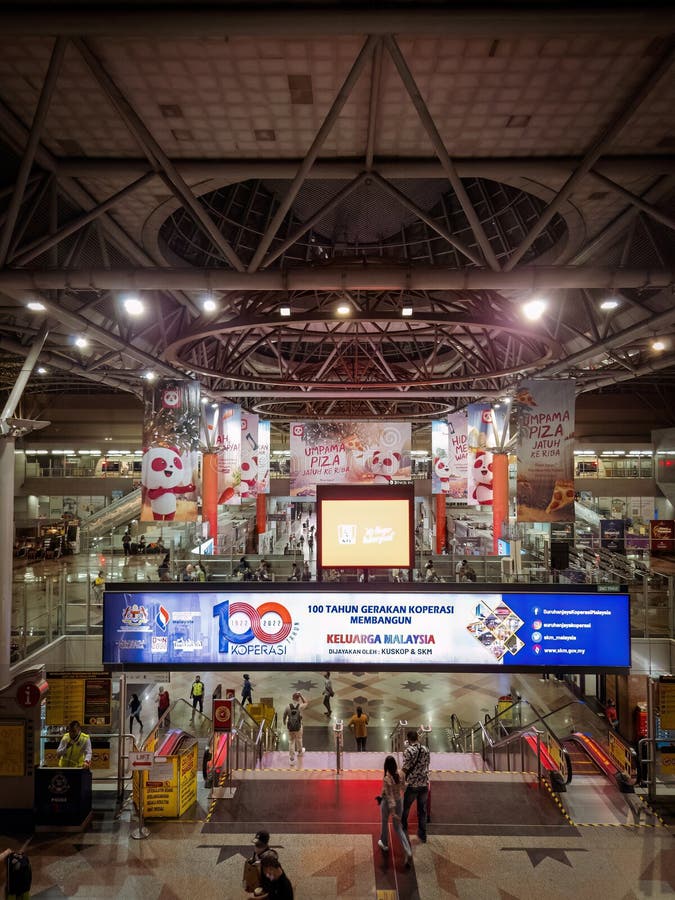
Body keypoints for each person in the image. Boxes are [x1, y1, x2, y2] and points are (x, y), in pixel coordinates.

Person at [378, 755, 413, 867]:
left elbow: (389, 797)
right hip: (399, 802)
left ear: (386, 766)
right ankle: (407, 849)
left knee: (384, 822)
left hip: (388, 804)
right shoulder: (401, 774)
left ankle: (384, 843)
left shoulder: (387, 779)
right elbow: (404, 787)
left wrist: (392, 812)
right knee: (398, 828)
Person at [401, 729, 430, 843]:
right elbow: (427, 764)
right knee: (422, 810)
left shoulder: (408, 751)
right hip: (423, 784)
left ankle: (403, 827)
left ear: (408, 739)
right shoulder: (426, 749)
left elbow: (406, 767)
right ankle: (423, 834)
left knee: (406, 807)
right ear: (417, 738)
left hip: (412, 784)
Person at [282, 691, 307, 764]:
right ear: (298, 698)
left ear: (292, 698)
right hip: (298, 726)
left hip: (290, 727)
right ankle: (300, 752)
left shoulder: (288, 706)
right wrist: (301, 695)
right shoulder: (300, 706)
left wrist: (284, 722)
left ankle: (292, 758)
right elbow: (306, 703)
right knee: (299, 739)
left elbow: (284, 715)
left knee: (291, 741)